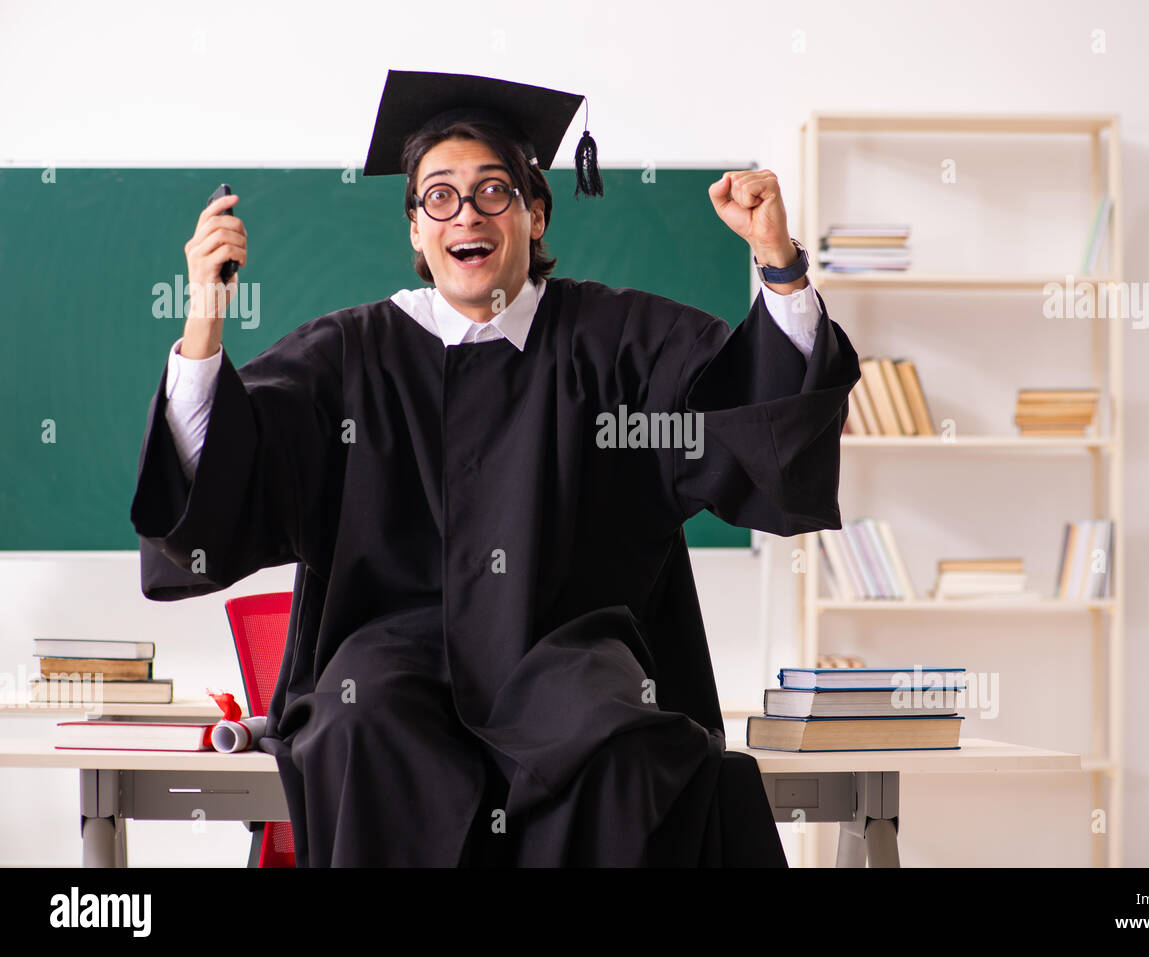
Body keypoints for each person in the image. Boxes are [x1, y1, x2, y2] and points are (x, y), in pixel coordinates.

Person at [130, 70, 861, 866]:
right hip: (390, 655)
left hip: (567, 653)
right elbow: (227, 472)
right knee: (359, 723)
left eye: (493, 191)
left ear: (535, 212)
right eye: (438, 196)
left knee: (619, 749)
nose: (466, 213)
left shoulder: (614, 340)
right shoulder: (350, 355)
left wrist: (778, 266)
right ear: (415, 230)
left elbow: (750, 412)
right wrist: (204, 318)